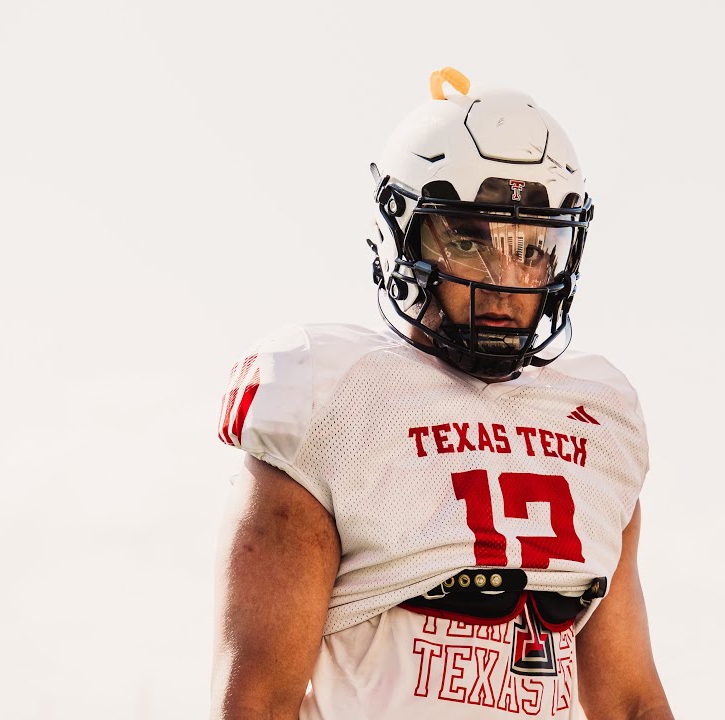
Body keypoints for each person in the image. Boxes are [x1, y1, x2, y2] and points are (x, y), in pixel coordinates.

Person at [210, 67, 674, 720]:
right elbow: (256, 704)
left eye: (532, 249)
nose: (506, 281)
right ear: (404, 236)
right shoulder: (335, 397)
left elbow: (628, 702)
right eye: (468, 242)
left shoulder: (601, 422)